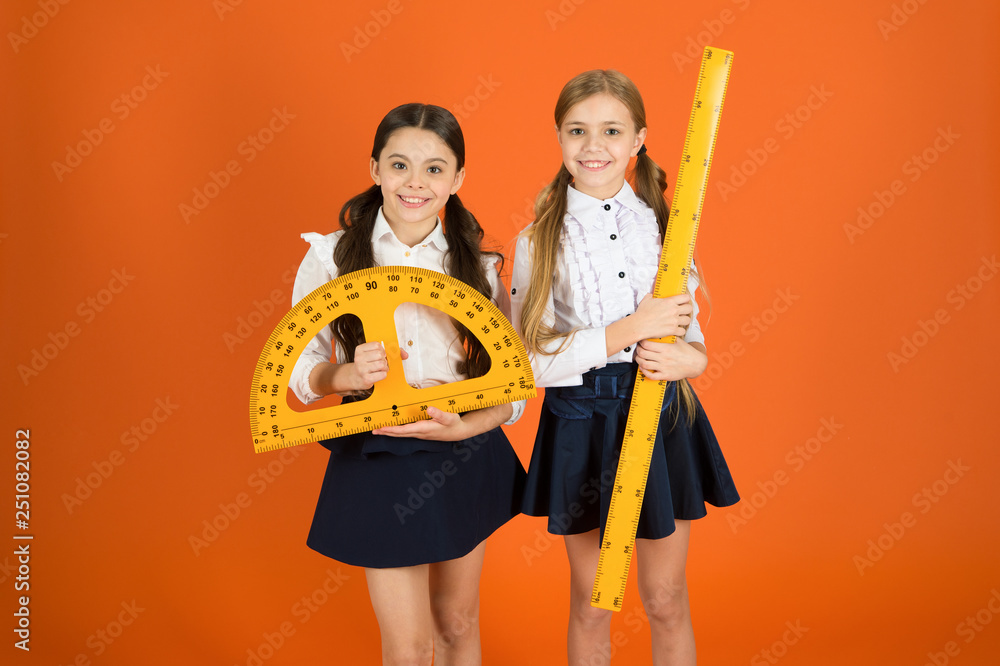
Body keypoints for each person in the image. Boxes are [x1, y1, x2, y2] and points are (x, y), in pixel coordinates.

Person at [511, 70, 740, 665]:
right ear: (559, 138)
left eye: (611, 131)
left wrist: (689, 358)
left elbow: (694, 345)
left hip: (663, 415)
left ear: (638, 139)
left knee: (665, 599)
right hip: (582, 423)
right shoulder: (537, 241)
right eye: (577, 130)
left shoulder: (668, 229)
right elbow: (526, 364)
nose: (594, 145)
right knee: (592, 602)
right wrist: (625, 331)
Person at [289, 103, 526, 666]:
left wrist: (465, 426)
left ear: (458, 179)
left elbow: (512, 386)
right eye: (399, 165)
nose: (415, 183)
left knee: (456, 622)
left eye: (435, 169)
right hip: (380, 451)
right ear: (374, 169)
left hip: (465, 448)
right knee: (411, 649)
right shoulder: (329, 257)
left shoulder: (482, 266)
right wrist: (345, 375)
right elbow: (300, 372)